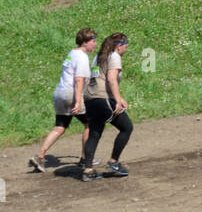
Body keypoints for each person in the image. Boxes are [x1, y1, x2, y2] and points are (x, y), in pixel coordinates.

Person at [29, 27, 95, 173]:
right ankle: (86, 159)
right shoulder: (82, 57)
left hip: (59, 93)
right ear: (85, 42)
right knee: (90, 124)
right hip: (71, 94)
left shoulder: (72, 53)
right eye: (93, 41)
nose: (95, 44)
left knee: (60, 127)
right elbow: (79, 80)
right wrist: (78, 101)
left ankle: (40, 156)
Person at [80, 32, 134, 181]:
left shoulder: (99, 57)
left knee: (95, 132)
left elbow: (100, 79)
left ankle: (88, 170)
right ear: (120, 46)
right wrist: (117, 100)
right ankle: (113, 163)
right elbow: (111, 79)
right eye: (126, 47)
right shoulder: (114, 56)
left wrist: (118, 97)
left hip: (90, 99)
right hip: (102, 99)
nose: (126, 50)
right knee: (127, 127)